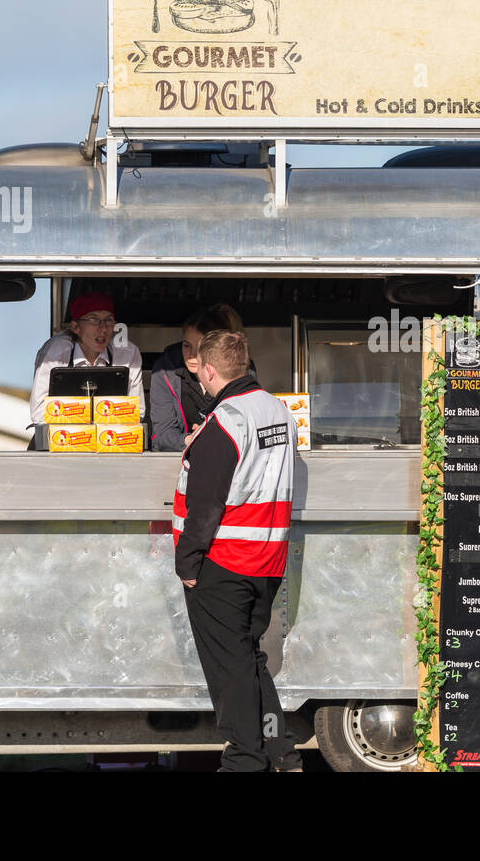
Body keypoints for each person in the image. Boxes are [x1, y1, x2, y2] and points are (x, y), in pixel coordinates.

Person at [173, 330, 301, 772]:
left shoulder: (226, 420)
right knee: (249, 658)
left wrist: (187, 563)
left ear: (209, 370)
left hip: (223, 562)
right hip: (267, 560)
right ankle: (278, 751)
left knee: (229, 668)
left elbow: (205, 504)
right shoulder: (278, 411)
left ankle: (244, 760)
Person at [29, 291, 143, 425]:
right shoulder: (55, 352)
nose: (103, 328)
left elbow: (137, 412)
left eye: (109, 320)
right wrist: (100, 414)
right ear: (75, 327)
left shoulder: (127, 354)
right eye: (94, 320)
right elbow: (39, 414)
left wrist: (70, 411)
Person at [148, 303, 244, 452]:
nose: (192, 354)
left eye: (200, 347)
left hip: (224, 456)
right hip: (176, 460)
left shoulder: (238, 368)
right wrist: (192, 439)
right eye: (186, 345)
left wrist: (212, 434)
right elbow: (162, 435)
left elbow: (244, 426)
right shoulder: (166, 369)